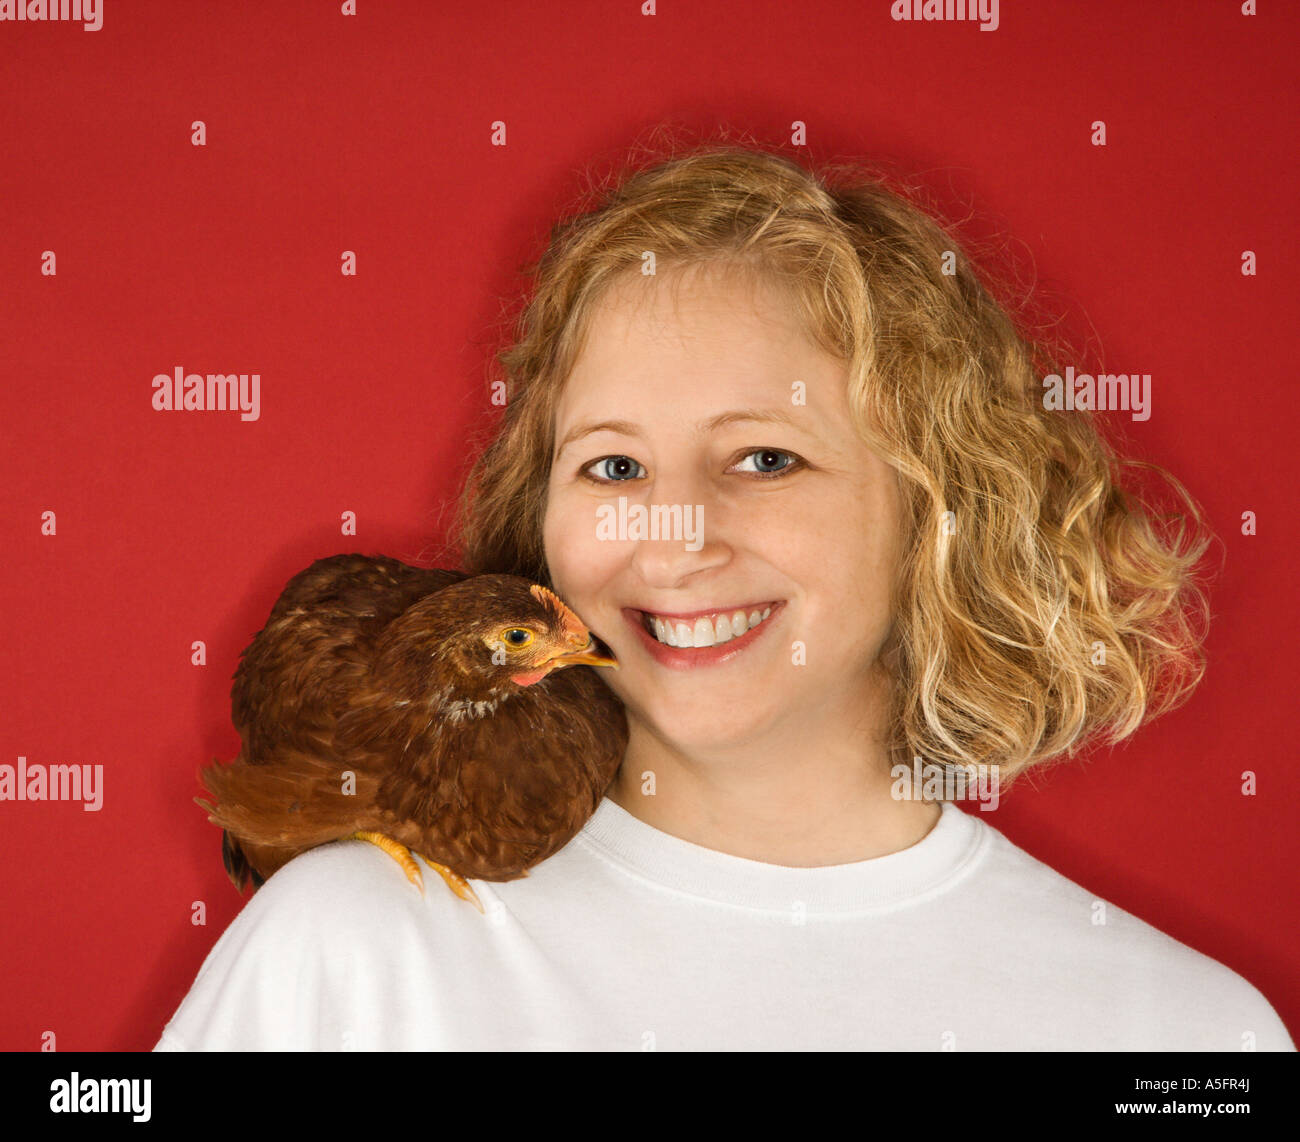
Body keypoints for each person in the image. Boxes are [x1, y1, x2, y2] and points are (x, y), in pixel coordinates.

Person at [155, 141, 1292, 1051]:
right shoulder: (354, 945)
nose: (675, 535)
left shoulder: (1183, 1037)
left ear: (941, 510)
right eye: (612, 466)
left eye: (762, 457)